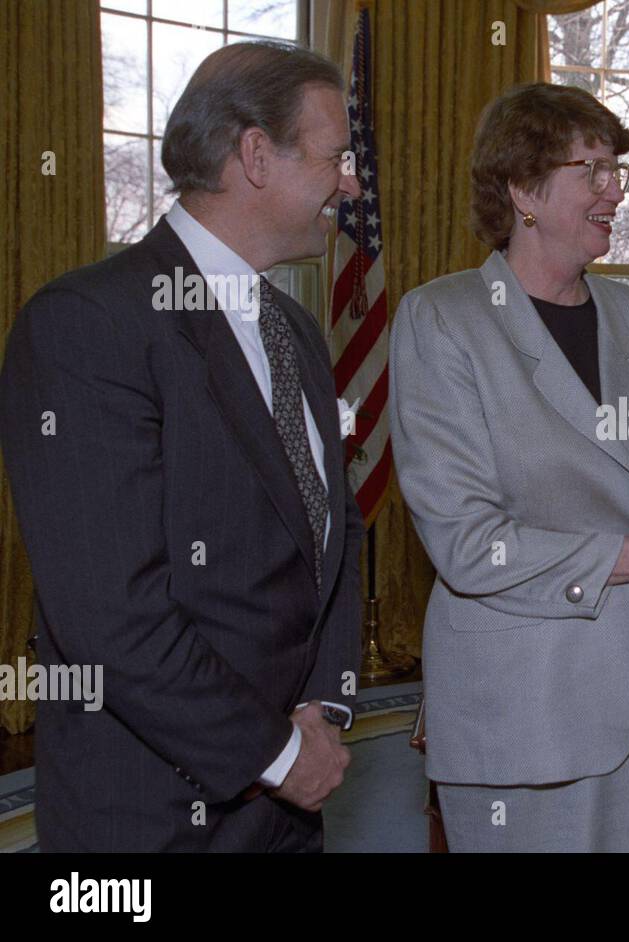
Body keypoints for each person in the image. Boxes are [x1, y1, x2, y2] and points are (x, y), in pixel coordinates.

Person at [0, 42, 364, 851]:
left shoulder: (295, 329)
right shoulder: (88, 326)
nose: (351, 184)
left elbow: (337, 531)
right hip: (146, 816)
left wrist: (326, 712)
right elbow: (109, 616)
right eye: (337, 157)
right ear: (256, 155)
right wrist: (273, 753)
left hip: (289, 807)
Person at [390, 83, 629, 852]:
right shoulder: (441, 320)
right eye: (590, 169)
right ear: (523, 190)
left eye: (616, 168)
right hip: (527, 715)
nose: (614, 189)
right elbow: (466, 541)